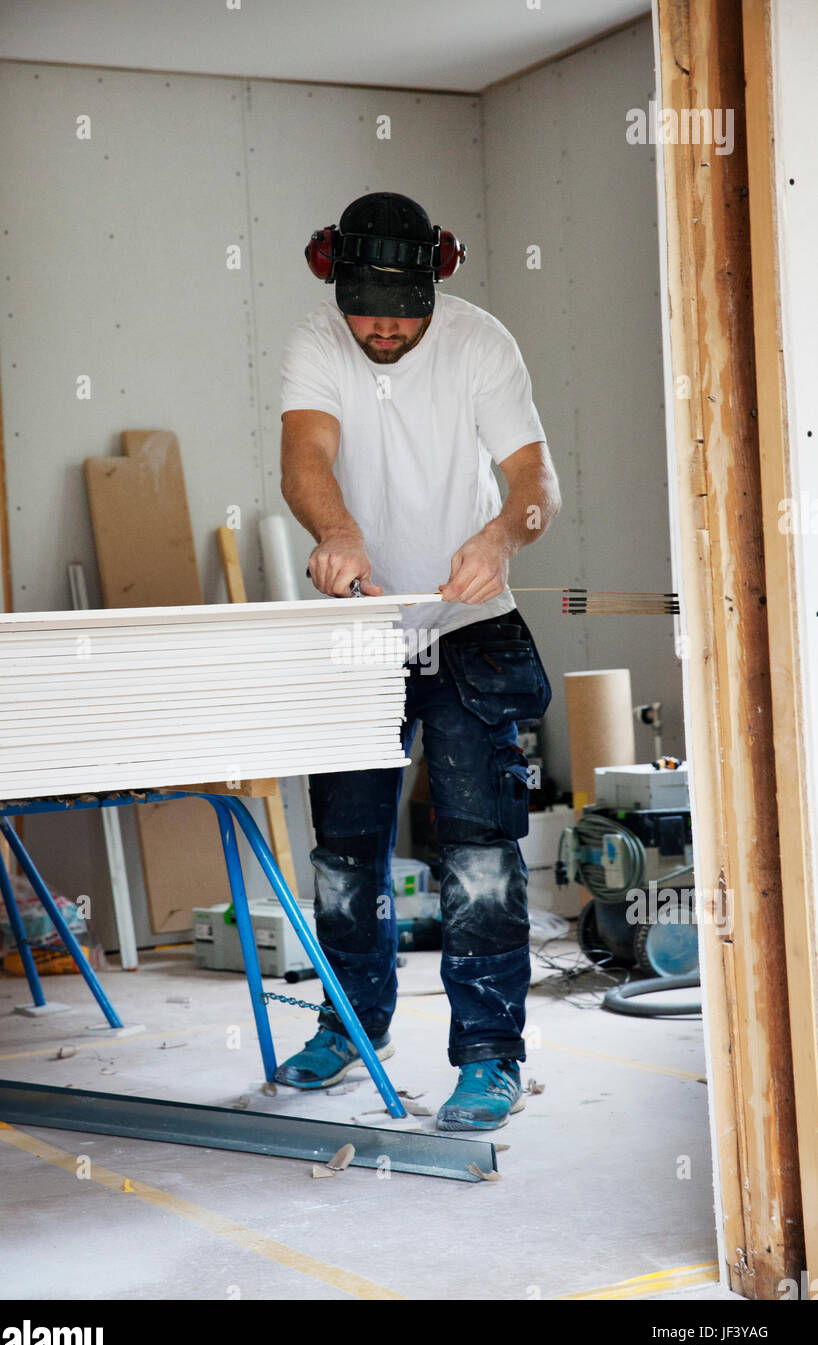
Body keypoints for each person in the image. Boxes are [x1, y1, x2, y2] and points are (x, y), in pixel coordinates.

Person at [275, 191, 560, 1131]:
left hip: (472, 623)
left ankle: (489, 1059)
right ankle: (352, 1026)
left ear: (438, 282)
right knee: (345, 854)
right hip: (365, 620)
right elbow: (305, 458)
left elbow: (534, 483)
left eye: (403, 310)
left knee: (479, 856)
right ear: (335, 283)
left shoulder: (481, 343)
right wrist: (339, 530)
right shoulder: (318, 342)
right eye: (367, 310)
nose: (385, 328)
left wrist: (499, 540)